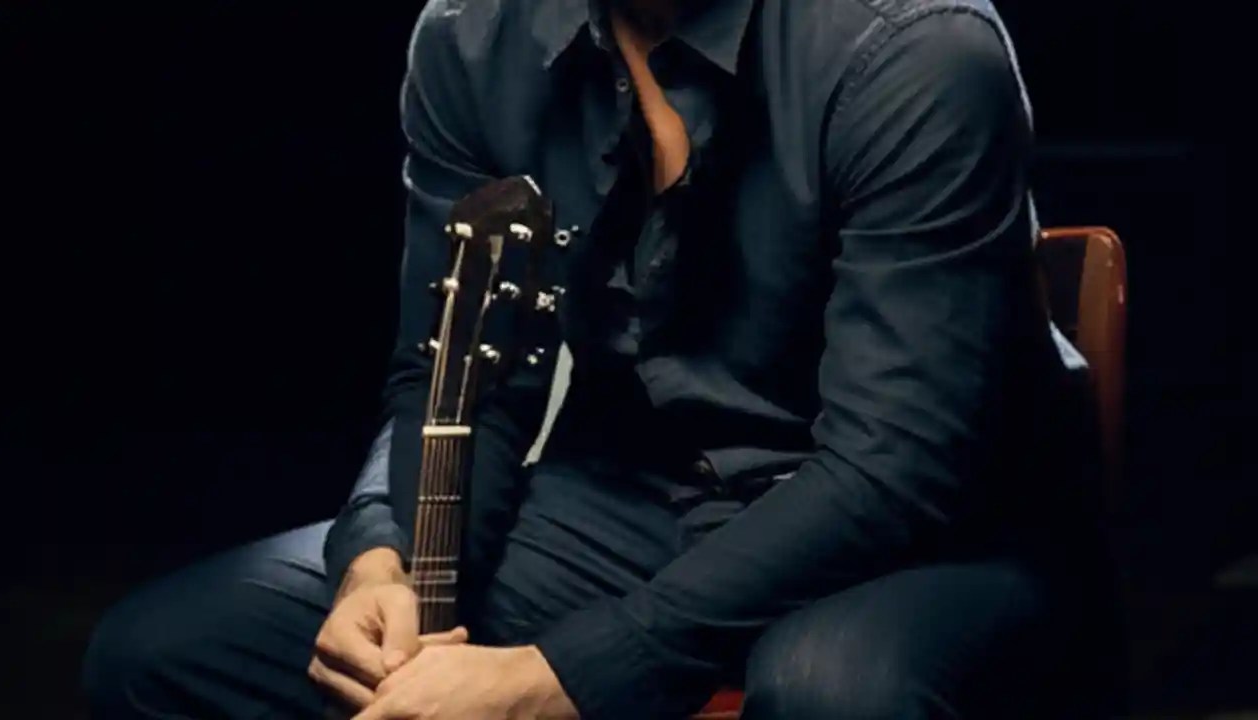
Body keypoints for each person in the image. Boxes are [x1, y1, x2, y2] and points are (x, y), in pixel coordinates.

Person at [82, 0, 1117, 717]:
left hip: (930, 532)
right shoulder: (471, 38)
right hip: (630, 496)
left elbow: (900, 468)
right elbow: (456, 380)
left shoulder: (916, 49)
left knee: (831, 694)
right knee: (166, 655)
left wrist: (559, 676)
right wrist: (379, 557)